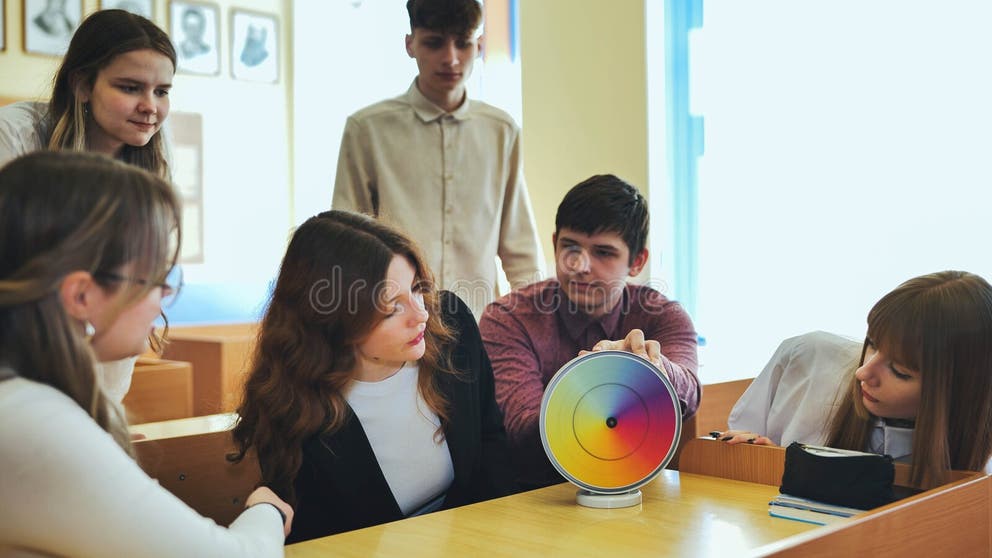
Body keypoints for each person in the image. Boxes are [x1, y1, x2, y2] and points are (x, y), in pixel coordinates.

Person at [0, 151, 293, 556]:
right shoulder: (33, 421)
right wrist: (266, 510)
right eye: (155, 277)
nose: (164, 296)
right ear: (82, 295)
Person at [230, 210, 517, 543]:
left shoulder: (453, 328)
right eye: (392, 307)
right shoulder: (294, 404)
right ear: (335, 321)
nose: (421, 313)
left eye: (416, 288)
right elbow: (317, 538)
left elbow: (491, 445)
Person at [479, 174, 700, 489]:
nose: (581, 265)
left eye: (603, 253)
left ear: (637, 261)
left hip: (639, 492)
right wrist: (602, 375)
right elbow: (524, 430)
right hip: (537, 498)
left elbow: (690, 396)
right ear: (555, 244)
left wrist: (650, 367)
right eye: (570, 247)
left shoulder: (663, 316)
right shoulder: (508, 319)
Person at [332, 0, 543, 319]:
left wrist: (536, 324)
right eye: (434, 42)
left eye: (463, 43)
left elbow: (520, 248)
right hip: (393, 322)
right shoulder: (368, 130)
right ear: (410, 44)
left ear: (480, 45)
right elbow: (346, 243)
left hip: (480, 325)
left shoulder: (501, 131)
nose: (451, 58)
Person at [719, 271, 992, 489]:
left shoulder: (980, 480)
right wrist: (767, 464)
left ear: (955, 393)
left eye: (899, 371)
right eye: (872, 344)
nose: (863, 373)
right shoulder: (809, 357)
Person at [0, 9, 174, 178]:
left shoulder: (155, 145)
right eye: (130, 88)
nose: (150, 107)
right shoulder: (13, 133)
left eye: (161, 92)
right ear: (81, 86)